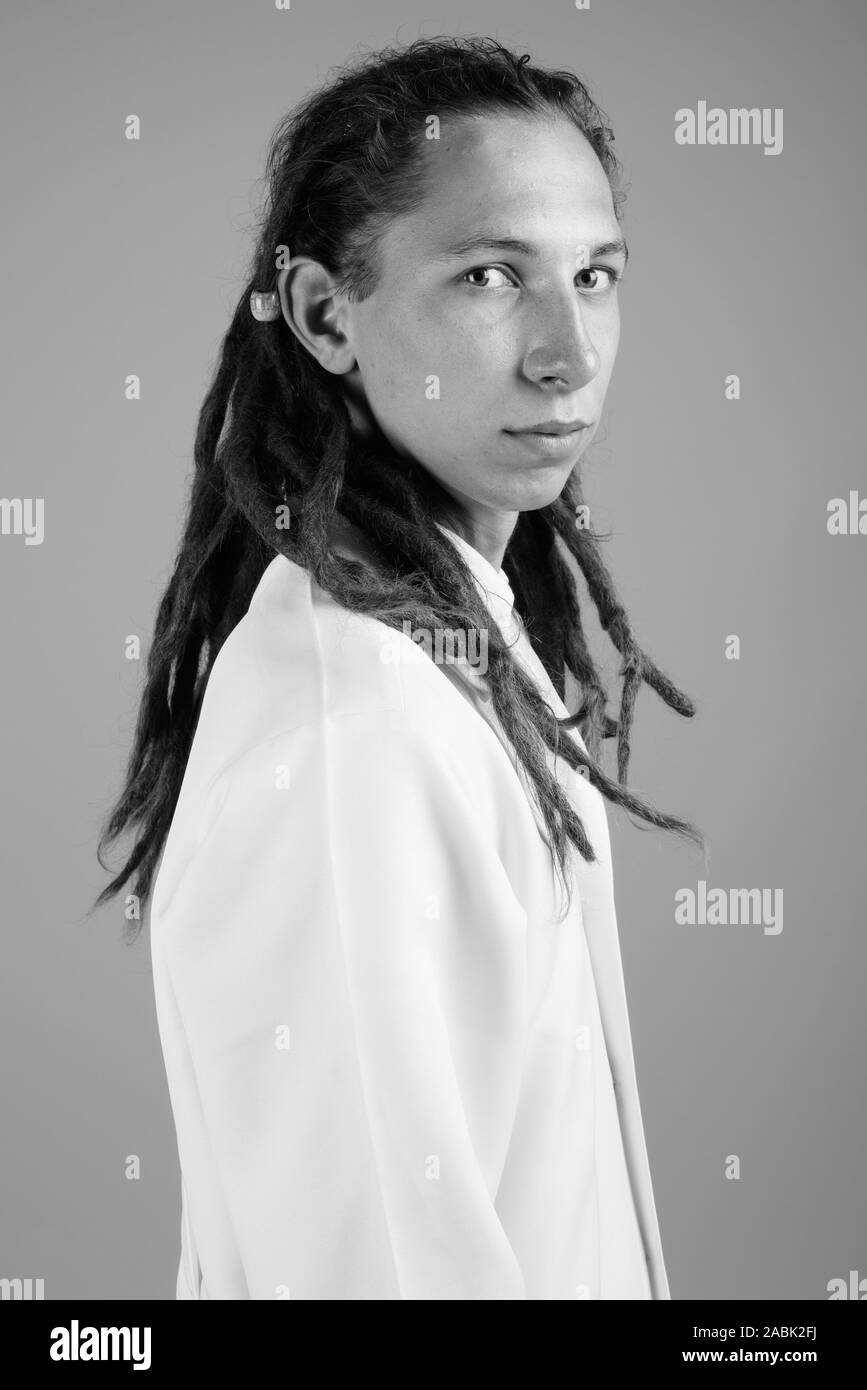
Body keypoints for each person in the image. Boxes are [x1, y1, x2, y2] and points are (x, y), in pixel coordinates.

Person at [93, 35, 704, 1300]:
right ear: (326, 315)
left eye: (595, 276)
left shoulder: (456, 637)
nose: (569, 354)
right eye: (491, 276)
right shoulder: (357, 718)